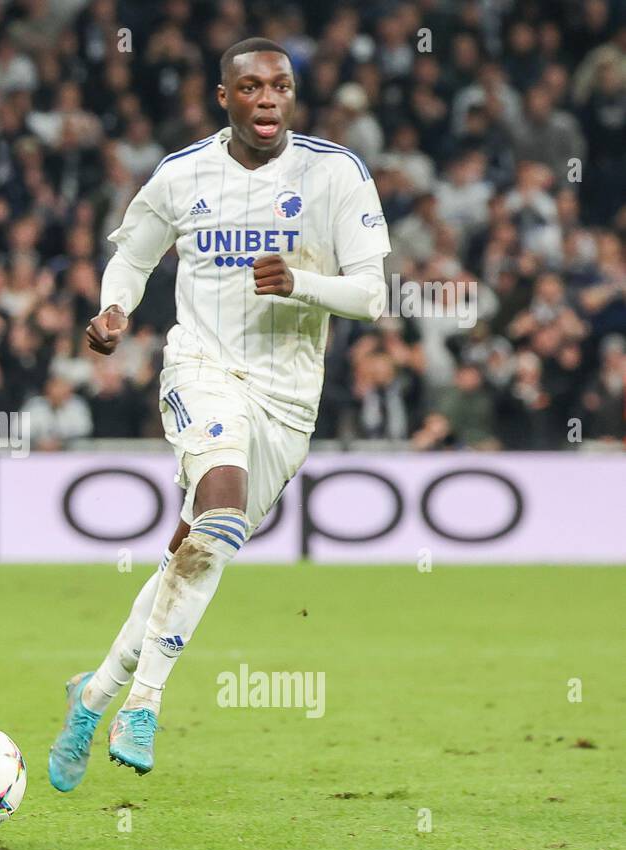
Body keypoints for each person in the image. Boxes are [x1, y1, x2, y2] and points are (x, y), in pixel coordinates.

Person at [48, 38, 389, 789]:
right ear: (223, 96)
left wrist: (302, 283)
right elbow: (133, 258)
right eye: (251, 86)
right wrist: (112, 310)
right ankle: (143, 703)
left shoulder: (335, 173)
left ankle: (94, 691)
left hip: (289, 398)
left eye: (281, 86)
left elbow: (373, 294)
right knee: (222, 509)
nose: (267, 98)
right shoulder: (181, 175)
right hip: (202, 368)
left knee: (197, 546)